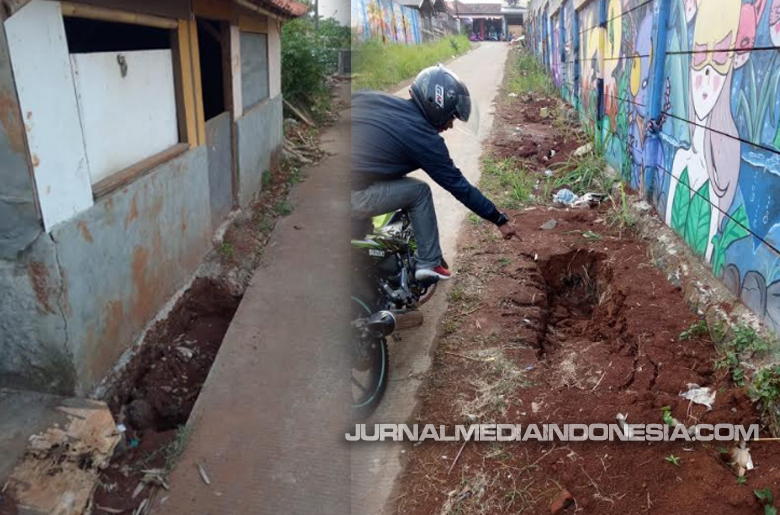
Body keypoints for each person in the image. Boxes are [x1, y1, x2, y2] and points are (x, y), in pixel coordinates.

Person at [351, 64, 518, 281]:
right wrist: (498, 219)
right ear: (437, 105)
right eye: (451, 117)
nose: (450, 125)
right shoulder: (424, 138)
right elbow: (459, 187)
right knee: (419, 191)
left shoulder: (376, 99)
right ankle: (429, 263)